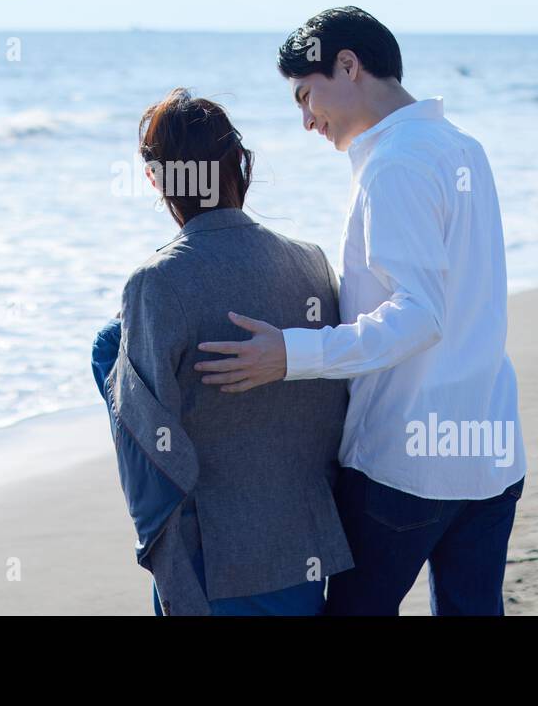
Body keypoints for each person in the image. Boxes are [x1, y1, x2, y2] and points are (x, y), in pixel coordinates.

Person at [193, 6, 527, 615]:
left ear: (347, 65)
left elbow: (419, 315)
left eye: (305, 95)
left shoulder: (394, 164)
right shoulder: (462, 147)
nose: (305, 121)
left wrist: (289, 354)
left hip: (406, 465)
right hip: (490, 448)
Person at [91, 88, 352, 615]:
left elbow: (149, 453)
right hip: (305, 543)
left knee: (107, 345)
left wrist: (165, 568)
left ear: (158, 180)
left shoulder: (157, 282)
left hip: (216, 559)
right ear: (241, 165)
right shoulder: (312, 263)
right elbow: (333, 406)